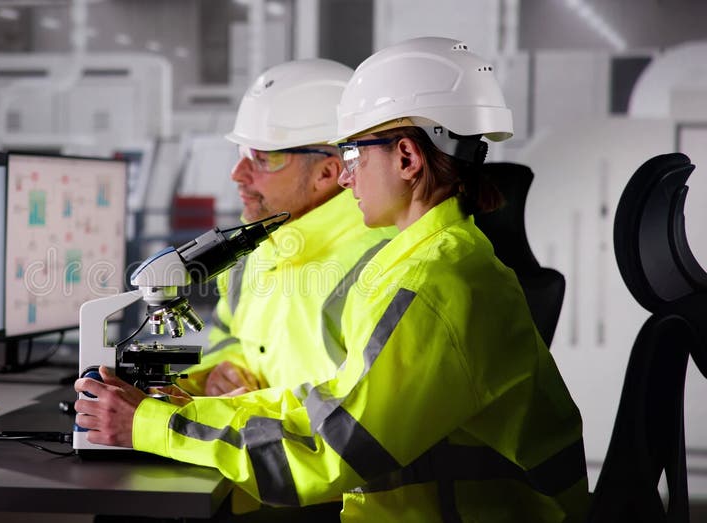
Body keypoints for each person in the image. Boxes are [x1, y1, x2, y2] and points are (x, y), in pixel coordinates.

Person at [76, 37, 589, 522]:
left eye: (354, 155)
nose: (345, 177)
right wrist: (199, 407)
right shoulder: (426, 260)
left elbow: (326, 450)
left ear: (407, 157)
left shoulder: (433, 286)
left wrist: (153, 426)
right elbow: (328, 399)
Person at [175, 58, 396, 398]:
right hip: (250, 446)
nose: (238, 172)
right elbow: (227, 332)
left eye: (264, 158)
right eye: (243, 151)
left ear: (327, 173)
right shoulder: (251, 252)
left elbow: (352, 426)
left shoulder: (386, 265)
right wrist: (221, 368)